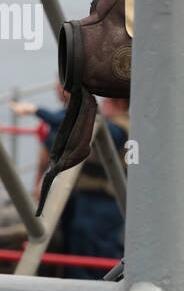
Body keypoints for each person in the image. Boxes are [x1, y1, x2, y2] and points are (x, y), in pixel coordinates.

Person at [11, 90, 128, 279]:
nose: (102, 105)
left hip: (102, 203)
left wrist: (36, 110)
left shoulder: (121, 128)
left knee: (96, 250)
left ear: (120, 104)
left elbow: (84, 126)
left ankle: (96, 290)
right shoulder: (107, 125)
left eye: (106, 102)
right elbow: (64, 129)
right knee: (75, 245)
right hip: (83, 199)